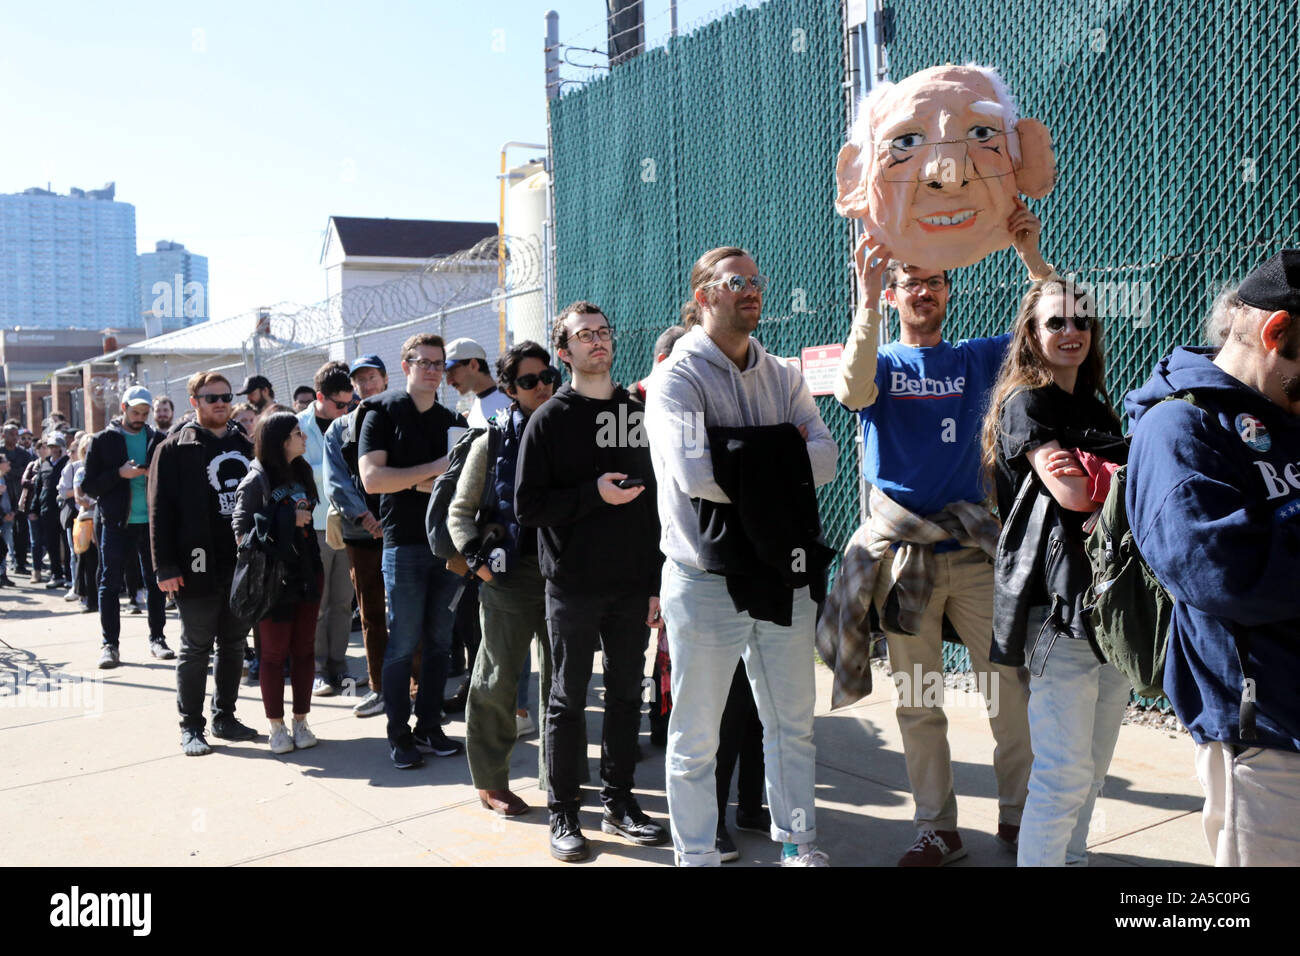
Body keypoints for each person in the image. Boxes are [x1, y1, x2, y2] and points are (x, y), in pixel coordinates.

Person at [829, 206, 1051, 866]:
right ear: (894, 293)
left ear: (948, 292)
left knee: (1008, 691)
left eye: (935, 282)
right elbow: (850, 387)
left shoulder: (979, 358)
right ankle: (937, 828)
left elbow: (1058, 328)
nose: (924, 292)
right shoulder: (881, 359)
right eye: (911, 282)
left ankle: (1020, 817)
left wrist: (1030, 256)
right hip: (903, 562)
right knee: (920, 704)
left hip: (975, 555)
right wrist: (865, 302)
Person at [644, 247, 837, 867]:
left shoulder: (783, 373)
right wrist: (783, 454)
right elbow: (697, 475)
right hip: (705, 580)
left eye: (757, 280)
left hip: (783, 574)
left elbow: (827, 458)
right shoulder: (678, 378)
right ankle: (696, 854)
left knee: (793, 727)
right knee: (696, 737)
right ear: (703, 295)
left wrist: (749, 457)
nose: (752, 290)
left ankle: (796, 844)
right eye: (736, 282)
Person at [1127, 251, 1300, 866]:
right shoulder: (1179, 427)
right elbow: (1223, 572)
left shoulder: (1287, 411)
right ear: (1276, 332)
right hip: (1264, 737)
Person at [981, 279, 1131, 866]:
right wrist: (1116, 474)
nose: (1071, 333)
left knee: (1092, 770)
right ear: (1031, 333)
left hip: (1110, 607)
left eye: (1081, 323)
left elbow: (1099, 485)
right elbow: (1071, 492)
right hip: (1058, 611)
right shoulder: (1026, 403)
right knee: (1064, 772)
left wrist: (1102, 474)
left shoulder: (1095, 407)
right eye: (1056, 323)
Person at [516, 301, 668, 862]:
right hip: (574, 584)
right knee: (568, 700)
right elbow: (527, 506)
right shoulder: (550, 419)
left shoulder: (637, 410)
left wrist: (656, 581)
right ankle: (563, 813)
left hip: (632, 584)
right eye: (585, 336)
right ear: (565, 351)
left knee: (630, 694)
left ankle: (621, 802)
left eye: (603, 332)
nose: (598, 342)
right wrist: (591, 496)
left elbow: (657, 503)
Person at [448, 340, 558, 816]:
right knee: (496, 680)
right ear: (511, 390)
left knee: (562, 684)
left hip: (564, 578)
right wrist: (477, 563)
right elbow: (460, 511)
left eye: (547, 376)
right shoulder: (490, 438)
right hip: (509, 577)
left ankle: (561, 780)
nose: (542, 386)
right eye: (529, 381)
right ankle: (491, 782)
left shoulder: (571, 429)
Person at [358, 333, 466, 767]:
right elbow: (372, 480)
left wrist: (413, 479)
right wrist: (434, 472)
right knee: (402, 643)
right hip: (402, 543)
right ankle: (399, 734)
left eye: (439, 363)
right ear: (406, 366)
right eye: (423, 362)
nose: (433, 370)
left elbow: (456, 485)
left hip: (445, 545)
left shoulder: (451, 419)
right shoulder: (381, 412)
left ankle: (429, 727)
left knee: (440, 644)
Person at [149, 371, 256, 756]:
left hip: (240, 563)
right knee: (196, 646)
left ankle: (224, 716)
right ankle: (191, 725)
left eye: (226, 396)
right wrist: (164, 566)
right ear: (194, 402)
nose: (221, 403)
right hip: (194, 563)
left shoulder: (244, 444)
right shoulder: (174, 447)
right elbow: (159, 512)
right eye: (211, 397)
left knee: (233, 643)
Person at [233, 412, 323, 755]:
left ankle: (301, 720)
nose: (304, 438)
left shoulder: (303, 470)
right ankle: (277, 727)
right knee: (272, 654)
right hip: (272, 578)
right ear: (282, 440)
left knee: (304, 649)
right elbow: (241, 533)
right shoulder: (256, 478)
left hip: (308, 570)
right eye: (298, 433)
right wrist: (287, 518)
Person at [82, 385, 171, 668]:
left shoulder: (157, 438)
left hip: (151, 522)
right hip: (117, 522)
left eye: (145, 413)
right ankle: (110, 644)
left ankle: (157, 638)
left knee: (156, 581)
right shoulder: (103, 440)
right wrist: (119, 474)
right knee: (109, 583)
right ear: (123, 408)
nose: (141, 417)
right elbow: (89, 486)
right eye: (135, 412)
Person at [323, 354, 390, 718]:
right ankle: (379, 687)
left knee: (412, 614)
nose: (366, 385)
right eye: (359, 379)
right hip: (361, 536)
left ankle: (415, 689)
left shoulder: (401, 418)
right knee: (371, 613)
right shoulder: (340, 428)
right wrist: (364, 516)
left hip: (403, 533)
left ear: (385, 378)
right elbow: (334, 480)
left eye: (372, 377)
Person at [298, 361, 357, 696]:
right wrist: (333, 472)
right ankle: (318, 667)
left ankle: (339, 664)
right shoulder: (297, 426)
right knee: (316, 601)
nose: (344, 410)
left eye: (349, 404)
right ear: (319, 397)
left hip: (344, 524)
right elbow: (298, 471)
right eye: (338, 404)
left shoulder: (349, 424)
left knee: (342, 601)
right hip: (313, 526)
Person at [445, 338, 512, 428]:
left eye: (452, 371)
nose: (449, 381)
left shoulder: (510, 401)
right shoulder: (475, 406)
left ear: (473, 365)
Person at [37, 432, 70, 590]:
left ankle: (70, 576)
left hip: (63, 509)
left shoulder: (67, 463)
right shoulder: (44, 464)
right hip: (47, 510)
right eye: (51, 446)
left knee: (67, 544)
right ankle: (55, 574)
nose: (54, 449)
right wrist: (34, 509)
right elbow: (39, 487)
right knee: (52, 545)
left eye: (57, 446)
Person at [2, 424, 32, 576]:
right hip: (4, 497)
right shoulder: (1, 452)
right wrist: (16, 471)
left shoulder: (24, 454)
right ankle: (4, 568)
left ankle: (21, 562)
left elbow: (27, 471)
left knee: (21, 530)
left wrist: (11, 471)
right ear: (4, 436)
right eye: (11, 434)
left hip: (20, 496)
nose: (14, 438)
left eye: (16, 435)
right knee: (4, 532)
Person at [19, 437, 47, 582]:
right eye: (41, 447)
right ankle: (36, 571)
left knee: (48, 541)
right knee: (35, 541)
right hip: (33, 507)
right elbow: (23, 481)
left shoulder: (53, 465)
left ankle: (53, 570)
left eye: (45, 447)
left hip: (48, 508)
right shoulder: (33, 465)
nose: (43, 450)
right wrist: (35, 480)